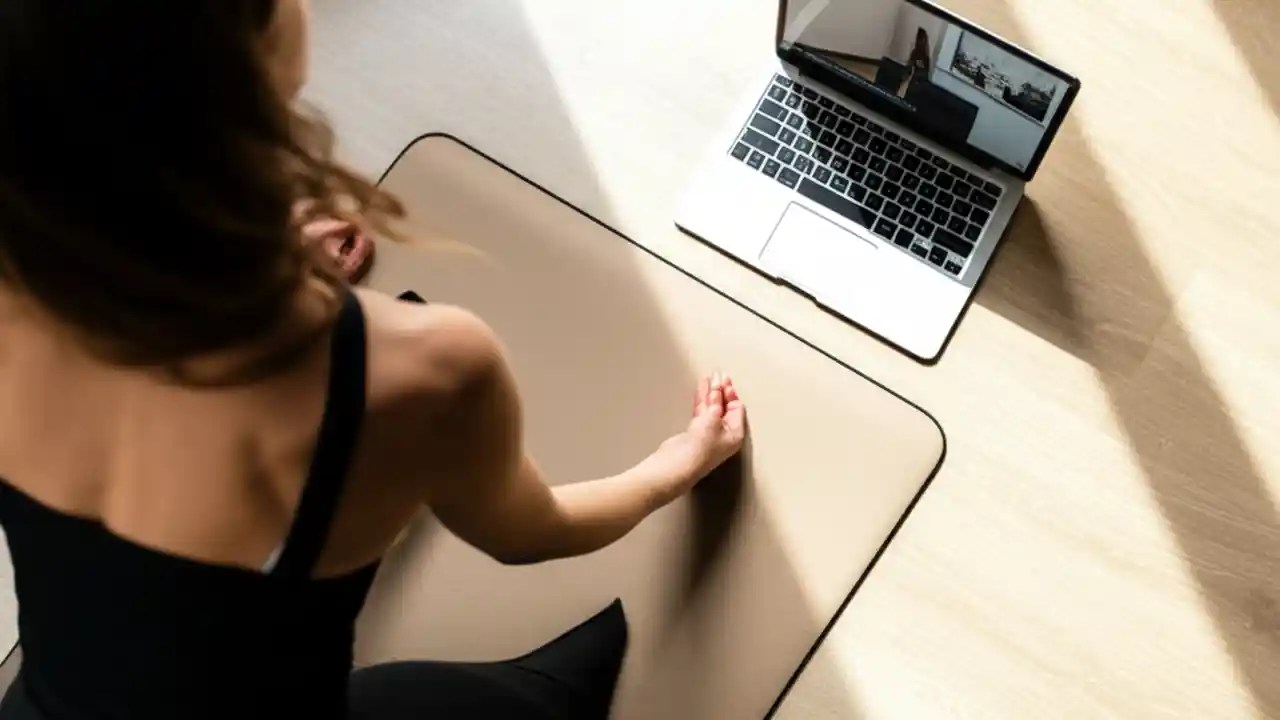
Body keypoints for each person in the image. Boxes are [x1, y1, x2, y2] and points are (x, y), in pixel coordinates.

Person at [0, 1, 747, 719]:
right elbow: (529, 532)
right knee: (553, 687)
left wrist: (260, 256)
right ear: (239, 59)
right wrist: (672, 467)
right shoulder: (425, 368)